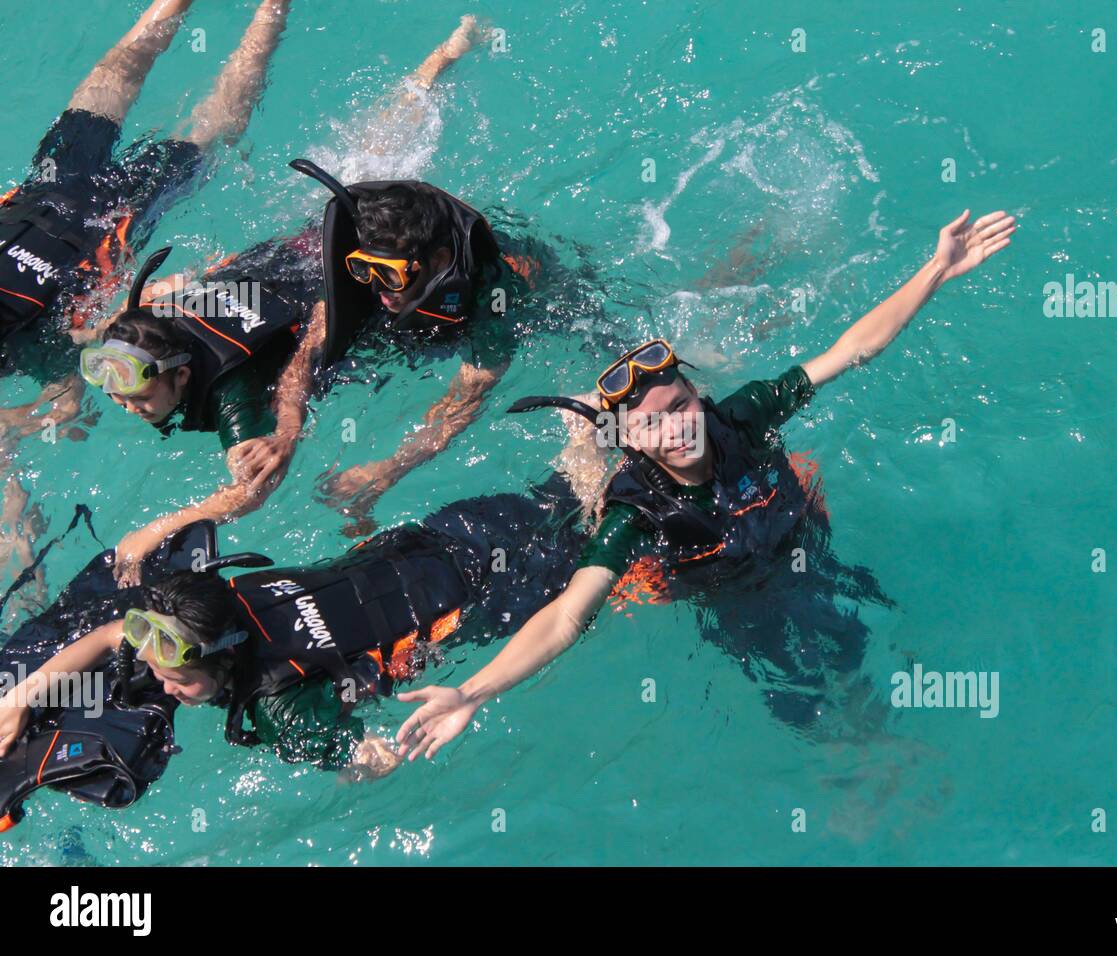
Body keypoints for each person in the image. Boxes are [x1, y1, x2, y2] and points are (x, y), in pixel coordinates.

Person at [394, 208, 1018, 759]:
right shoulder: (634, 513)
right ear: (630, 441)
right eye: (656, 423)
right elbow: (566, 617)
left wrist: (936, 269)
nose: (680, 428)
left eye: (683, 405)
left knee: (854, 638)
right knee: (798, 693)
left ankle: (892, 735)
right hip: (730, 594)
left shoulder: (739, 416)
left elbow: (851, 349)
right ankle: (851, 774)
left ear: (700, 396)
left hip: (797, 543)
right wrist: (472, 693)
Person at [67, 15, 482, 588]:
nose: (124, 403)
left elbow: (249, 490)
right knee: (366, 166)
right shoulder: (146, 324)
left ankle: (435, 65)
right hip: (297, 253)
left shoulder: (232, 390)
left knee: (371, 182)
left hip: (326, 286)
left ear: (183, 377)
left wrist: (156, 530)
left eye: (136, 392)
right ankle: (436, 63)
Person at [0, 469, 585, 827]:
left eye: (178, 680)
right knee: (574, 491)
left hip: (498, 596)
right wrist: (22, 699)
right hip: (452, 530)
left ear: (226, 659)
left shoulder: (277, 710)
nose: (164, 686)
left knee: (628, 557)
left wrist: (345, 776)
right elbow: (108, 635)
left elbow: (374, 758)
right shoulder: (212, 599)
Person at [0, 0, 293, 588]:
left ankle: (256, 11)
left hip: (88, 208)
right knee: (163, 94)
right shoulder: (27, 350)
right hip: (85, 206)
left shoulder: (21, 352)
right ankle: (269, 11)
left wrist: (14, 440)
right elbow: (72, 399)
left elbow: (68, 408)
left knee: (200, 122)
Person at [278, 99, 580, 535]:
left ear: (437, 261)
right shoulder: (376, 275)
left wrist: (386, 470)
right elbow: (310, 346)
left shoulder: (492, 301)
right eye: (365, 269)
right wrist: (288, 427)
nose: (376, 288)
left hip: (542, 295)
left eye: (390, 276)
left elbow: (463, 401)